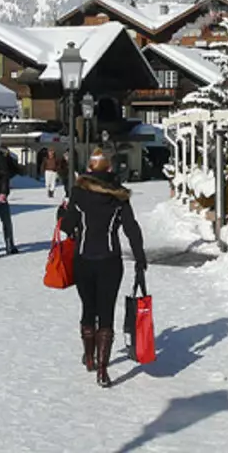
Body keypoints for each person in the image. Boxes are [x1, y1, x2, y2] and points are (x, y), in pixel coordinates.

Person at [59, 149, 147, 387]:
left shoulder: (79, 193)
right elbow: (131, 227)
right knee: (106, 311)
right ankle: (102, 371)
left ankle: (89, 356)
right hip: (110, 259)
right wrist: (140, 257)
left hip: (83, 258)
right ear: (109, 169)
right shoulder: (119, 196)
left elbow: (68, 226)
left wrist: (63, 214)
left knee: (89, 308)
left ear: (89, 170)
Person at [0, 141, 18, 255]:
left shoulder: (4, 158)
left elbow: (13, 171)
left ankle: (9, 245)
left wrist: (7, 157)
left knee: (6, 221)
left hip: (3, 193)